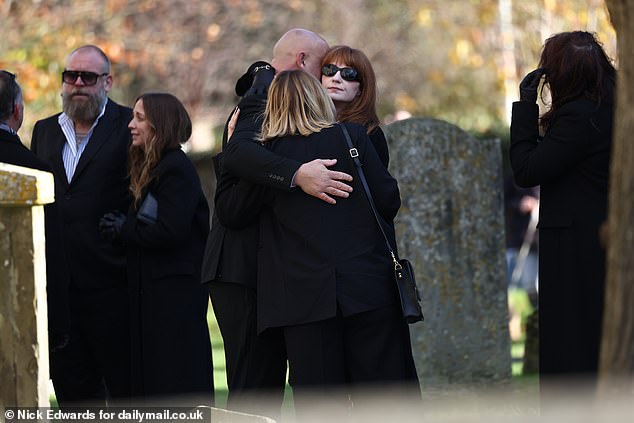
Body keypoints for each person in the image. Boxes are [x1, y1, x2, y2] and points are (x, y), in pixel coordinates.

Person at [254, 70, 419, 415]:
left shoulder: (266, 158)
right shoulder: (351, 136)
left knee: (320, 408)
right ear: (317, 99)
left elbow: (233, 211)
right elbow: (388, 200)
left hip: (303, 298)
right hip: (366, 288)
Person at [201, 28, 347, 416]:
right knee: (254, 388)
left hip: (271, 269)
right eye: (324, 66)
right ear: (301, 62)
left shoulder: (281, 98)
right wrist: (297, 174)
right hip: (240, 266)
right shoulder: (262, 97)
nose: (330, 77)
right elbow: (239, 166)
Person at [509, 31, 615, 398]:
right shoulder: (611, 107)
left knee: (571, 339)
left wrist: (525, 105)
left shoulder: (580, 117)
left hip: (575, 244)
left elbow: (526, 169)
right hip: (598, 236)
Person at [30, 45, 133, 406]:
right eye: (70, 75)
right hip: (60, 292)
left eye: (87, 77)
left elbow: (146, 193)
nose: (77, 83)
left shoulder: (130, 126)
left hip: (113, 287)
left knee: (125, 395)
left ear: (107, 82)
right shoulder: (44, 131)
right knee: (74, 397)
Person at [99, 93, 213, 405]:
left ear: (158, 124)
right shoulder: (158, 166)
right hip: (156, 297)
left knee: (173, 381)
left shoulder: (175, 168)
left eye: (139, 118)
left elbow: (170, 230)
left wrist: (124, 229)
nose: (131, 125)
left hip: (173, 301)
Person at [0, 70, 70, 354]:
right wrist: (58, 326)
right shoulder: (36, 171)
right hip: (21, 315)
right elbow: (51, 252)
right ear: (17, 111)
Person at [320, 45, 390, 168]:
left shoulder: (371, 133)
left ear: (361, 88)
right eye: (329, 70)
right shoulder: (304, 124)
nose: (336, 78)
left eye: (348, 73)